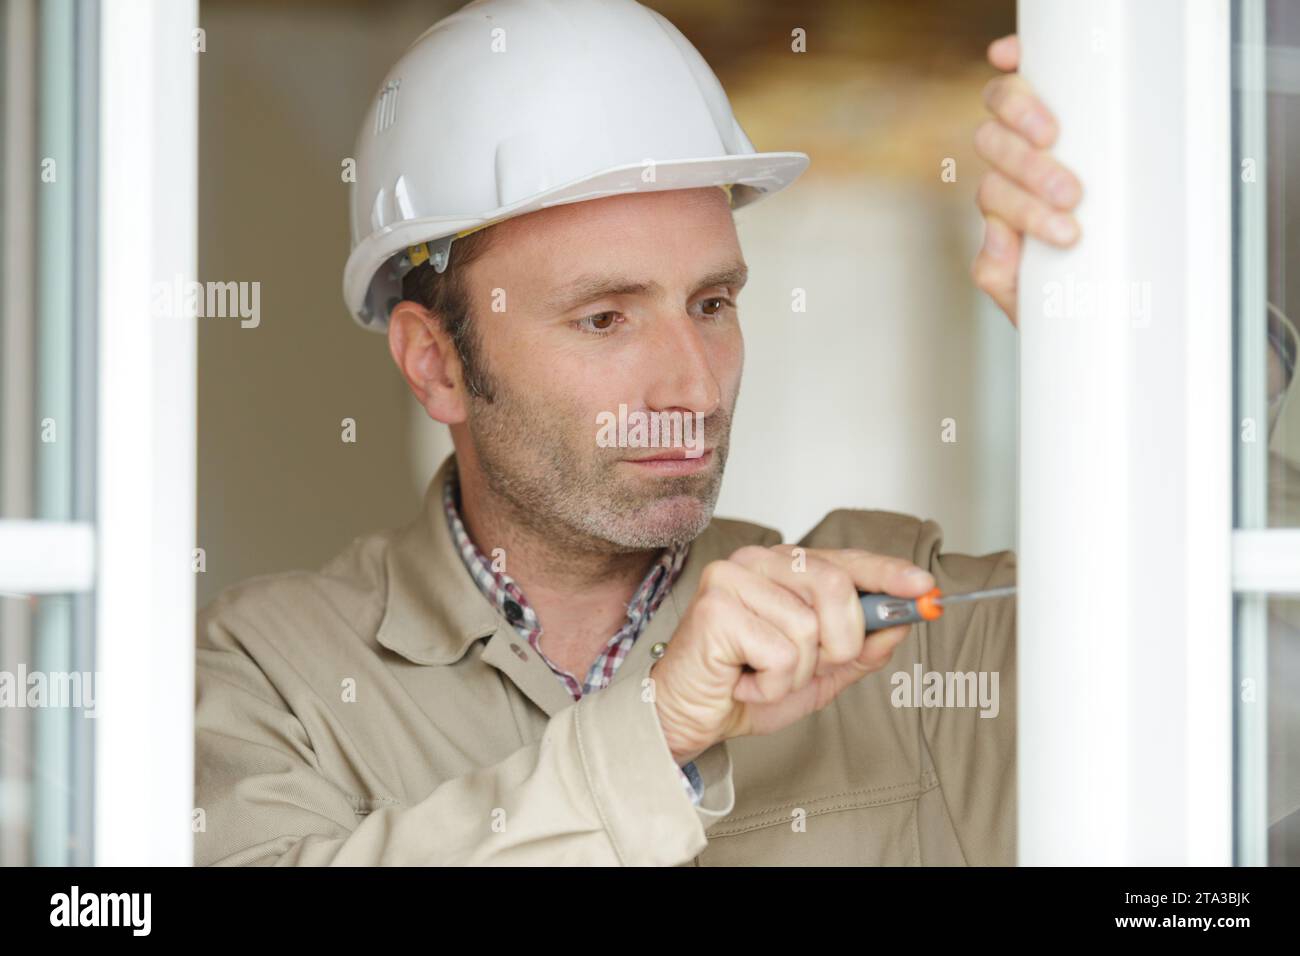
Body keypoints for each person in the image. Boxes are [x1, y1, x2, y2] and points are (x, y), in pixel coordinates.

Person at [194, 4, 1081, 865]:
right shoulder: (274, 677)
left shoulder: (908, 637)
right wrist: (653, 737)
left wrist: (1089, 316)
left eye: (712, 304)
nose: (693, 388)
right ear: (436, 363)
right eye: (605, 319)